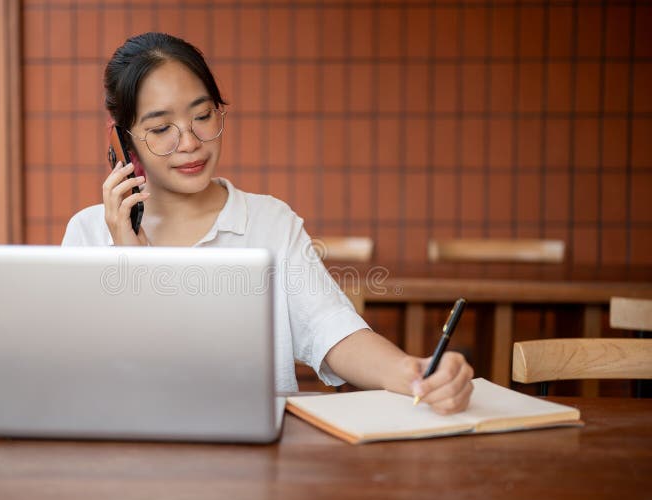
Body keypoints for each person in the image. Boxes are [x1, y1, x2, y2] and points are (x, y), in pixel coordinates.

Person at [62, 32, 473, 414]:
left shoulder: (269, 222)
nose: (189, 142)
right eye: (161, 128)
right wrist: (130, 262)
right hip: (127, 459)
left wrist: (411, 372)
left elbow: (330, 328)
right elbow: (77, 373)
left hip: (255, 464)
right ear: (124, 141)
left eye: (202, 116)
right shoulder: (89, 234)